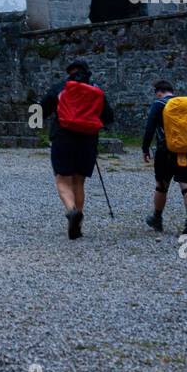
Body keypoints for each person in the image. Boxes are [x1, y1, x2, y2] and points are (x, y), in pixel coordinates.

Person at [40, 58, 115, 239]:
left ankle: (71, 211)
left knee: (62, 180)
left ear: (70, 73)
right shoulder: (96, 90)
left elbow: (41, 109)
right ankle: (78, 225)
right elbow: (109, 117)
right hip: (87, 140)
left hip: (62, 137)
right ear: (87, 73)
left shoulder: (60, 88)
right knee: (79, 181)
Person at [142, 80, 187, 237]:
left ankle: (157, 218)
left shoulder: (158, 104)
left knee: (162, 186)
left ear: (158, 92)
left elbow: (149, 129)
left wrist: (145, 148)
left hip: (165, 152)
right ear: (172, 91)